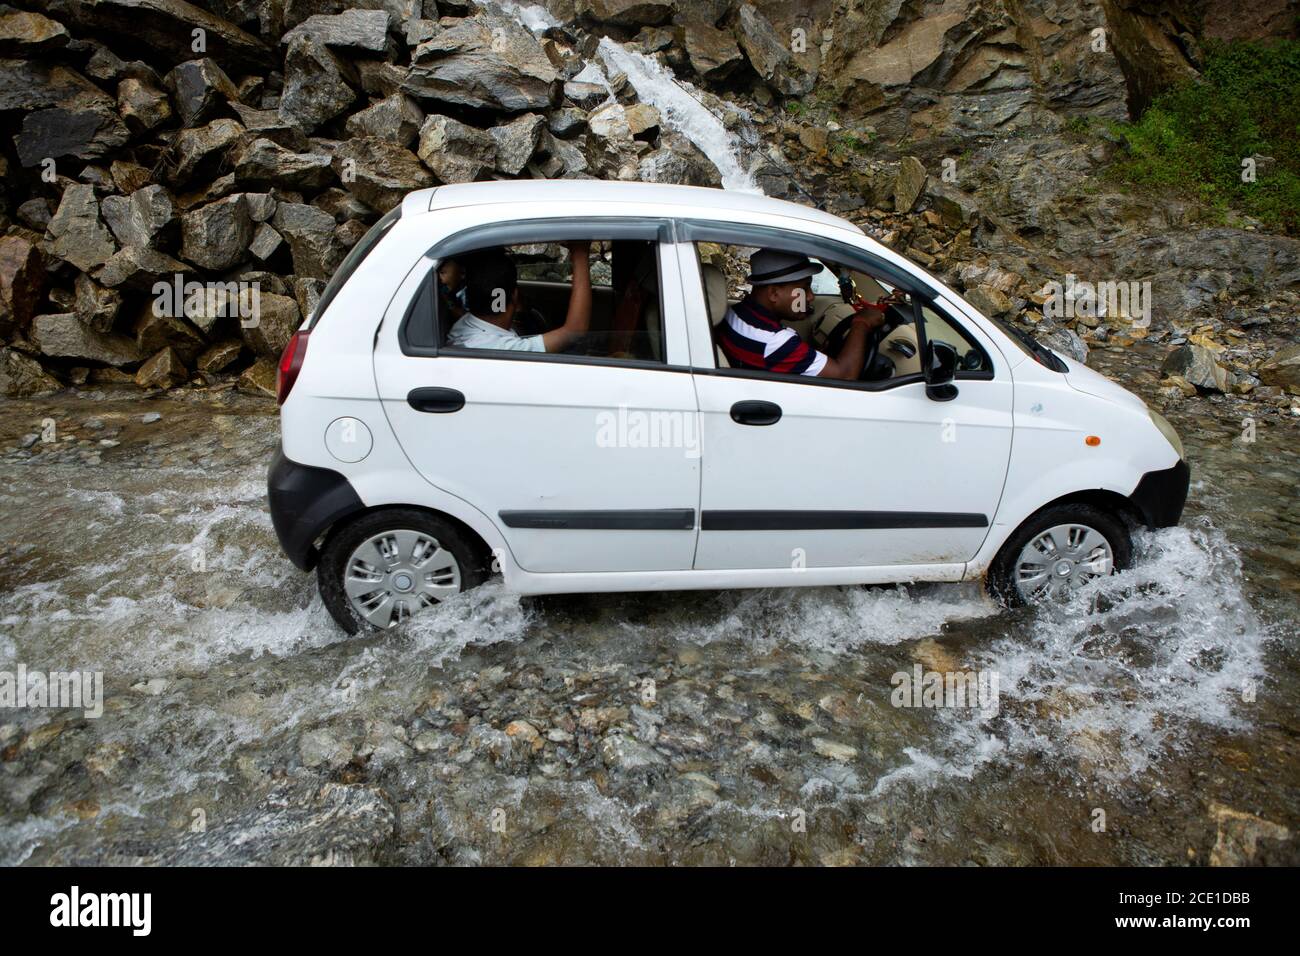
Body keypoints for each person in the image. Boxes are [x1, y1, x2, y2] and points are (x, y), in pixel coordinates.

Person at [716, 248, 886, 379]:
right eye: (804, 288)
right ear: (774, 293)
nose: (811, 296)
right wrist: (861, 324)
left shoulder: (735, 313)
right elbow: (846, 376)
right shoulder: (776, 342)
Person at [446, 243, 593, 353]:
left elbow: (497, 301)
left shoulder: (463, 324)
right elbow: (575, 330)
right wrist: (580, 253)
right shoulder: (500, 349)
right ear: (515, 295)